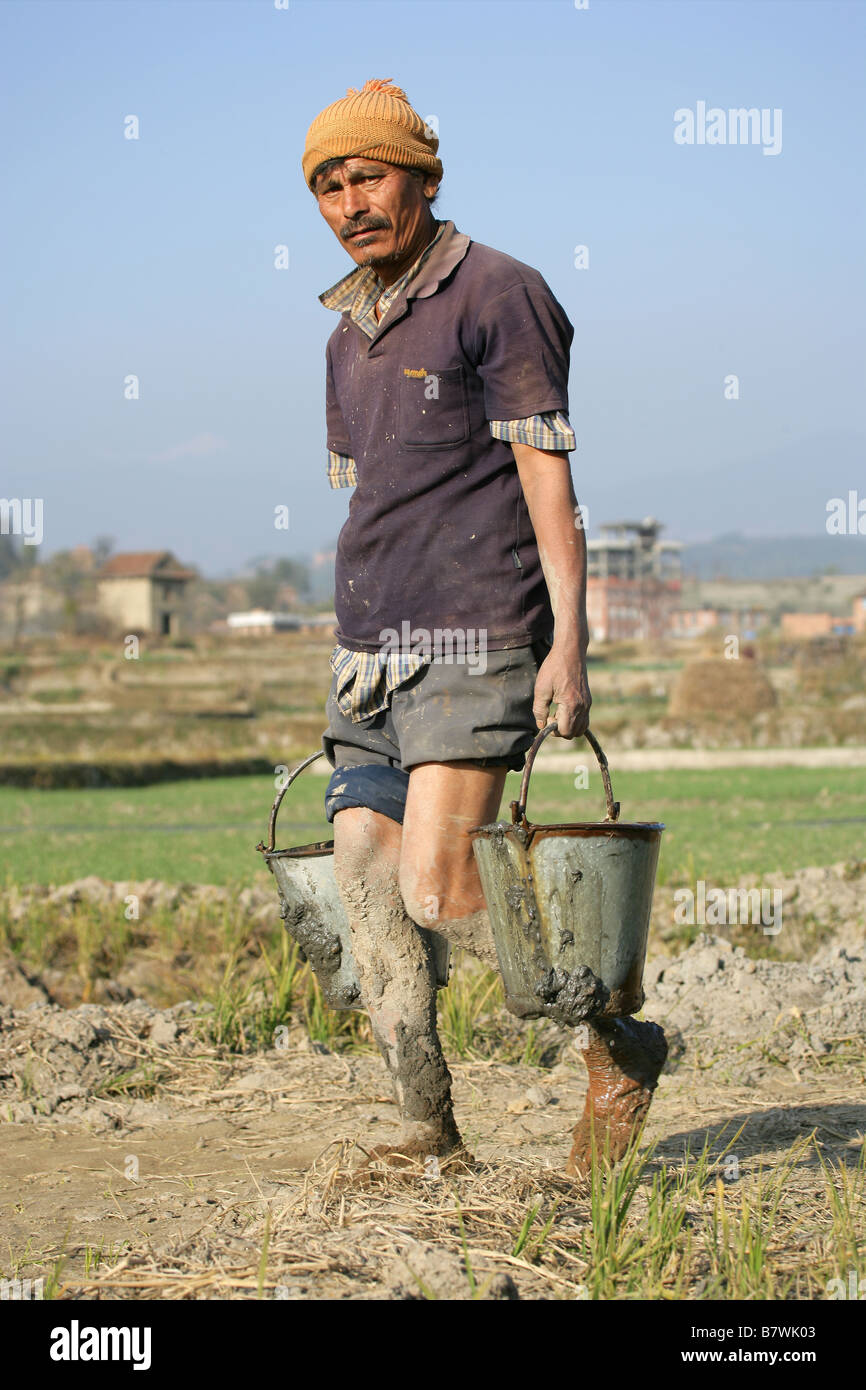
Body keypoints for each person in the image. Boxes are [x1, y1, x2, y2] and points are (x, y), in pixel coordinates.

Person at [303, 79, 666, 1175]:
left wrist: (570, 639)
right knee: (361, 872)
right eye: (327, 185)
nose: (348, 201)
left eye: (367, 176)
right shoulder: (342, 337)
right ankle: (427, 1124)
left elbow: (546, 479)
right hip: (367, 652)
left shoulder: (499, 293)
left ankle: (617, 1039)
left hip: (477, 638)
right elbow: (377, 497)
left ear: (422, 178)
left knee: (435, 888)